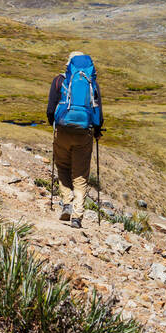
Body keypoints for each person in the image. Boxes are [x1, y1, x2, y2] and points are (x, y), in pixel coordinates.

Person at [46, 51, 103, 228]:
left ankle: (67, 202)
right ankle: (77, 216)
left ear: (68, 65)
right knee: (80, 176)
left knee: (62, 167)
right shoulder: (91, 83)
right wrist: (97, 131)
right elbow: (98, 113)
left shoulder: (58, 81)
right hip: (84, 134)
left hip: (62, 131)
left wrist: (55, 125)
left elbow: (50, 109)